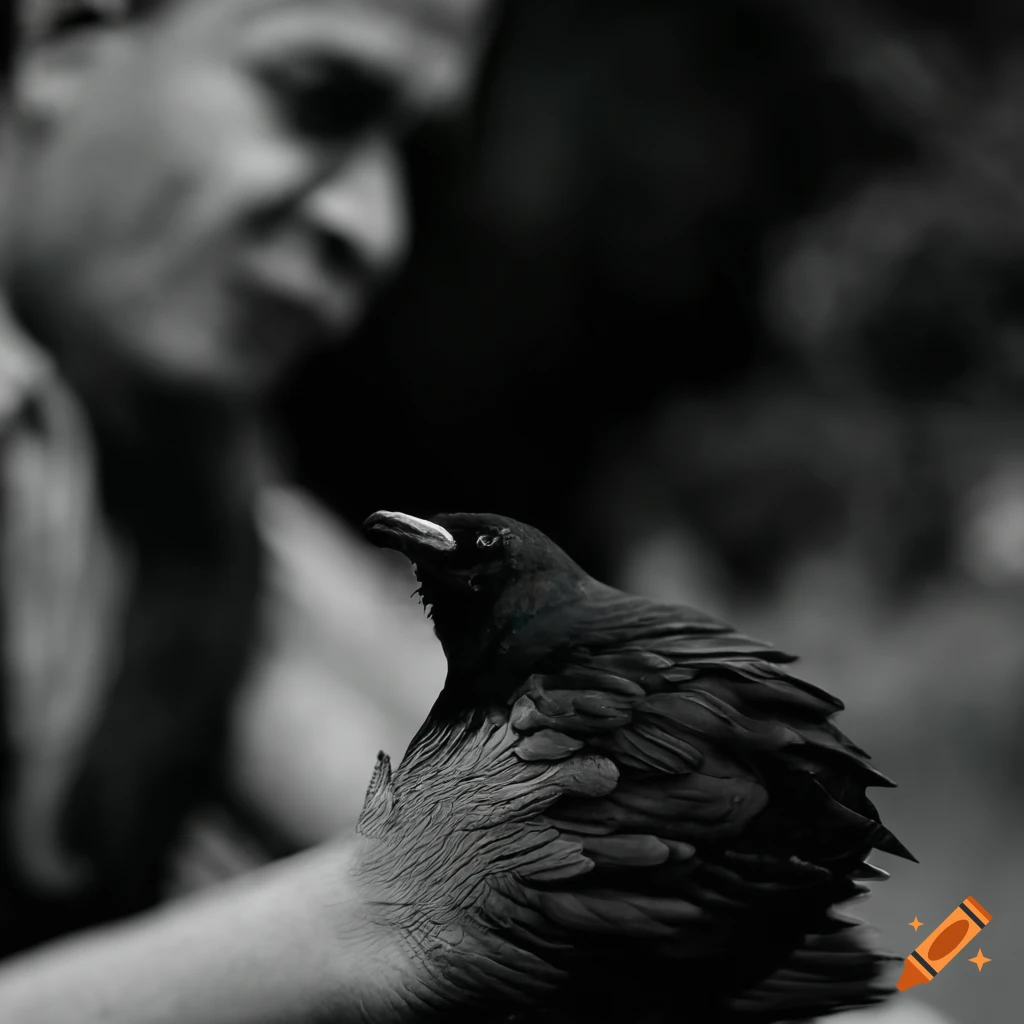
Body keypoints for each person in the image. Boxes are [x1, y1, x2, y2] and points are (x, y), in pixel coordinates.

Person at [0, 0, 606, 1020]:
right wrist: (374, 917)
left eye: (413, 159)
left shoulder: (188, 501)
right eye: (315, 99)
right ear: (65, 36)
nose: (373, 230)